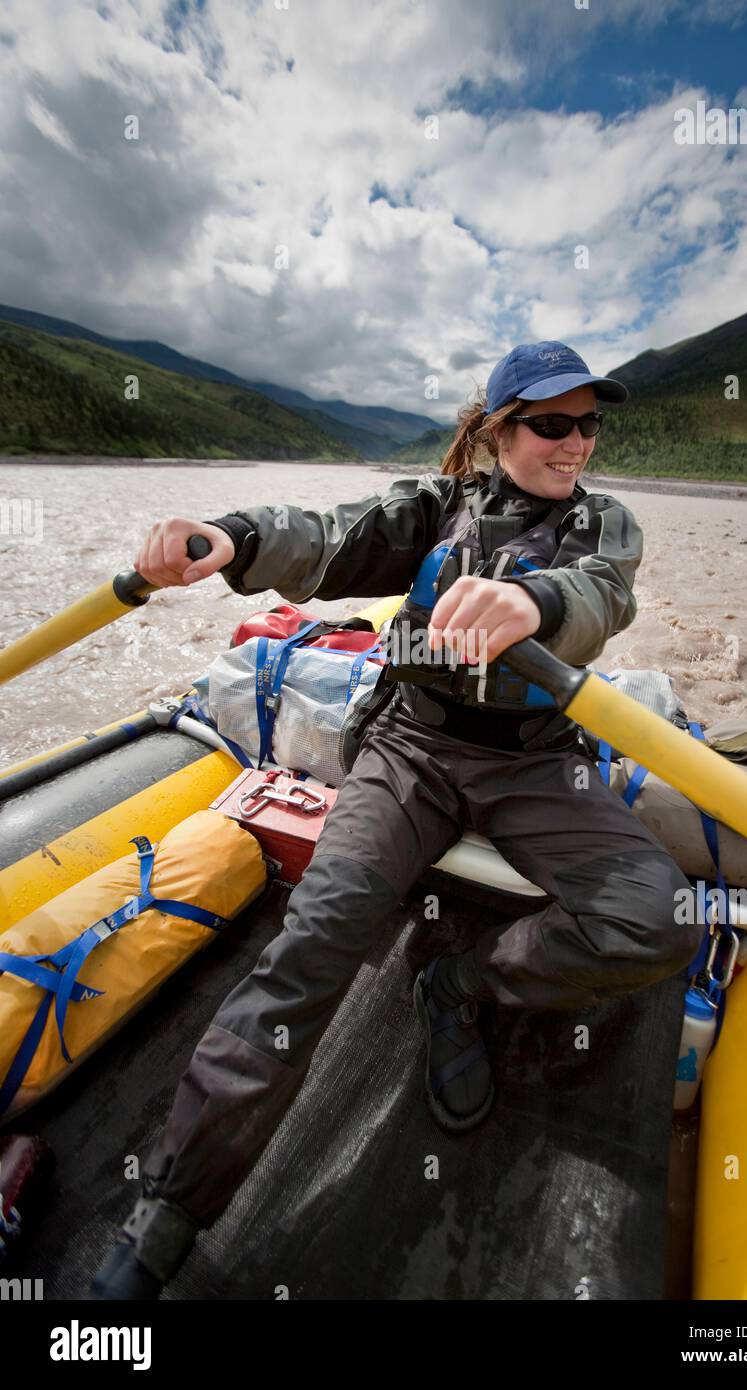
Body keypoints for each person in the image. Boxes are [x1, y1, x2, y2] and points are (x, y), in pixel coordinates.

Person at [90, 341, 700, 1299]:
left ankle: (456, 988)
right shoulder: (431, 508)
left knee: (658, 919)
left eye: (589, 423)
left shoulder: (603, 525)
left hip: (537, 760)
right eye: (551, 422)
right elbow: (328, 535)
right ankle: (164, 1214)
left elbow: (599, 598)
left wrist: (530, 600)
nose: (575, 442)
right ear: (499, 430)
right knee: (319, 935)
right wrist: (231, 537)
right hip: (414, 747)